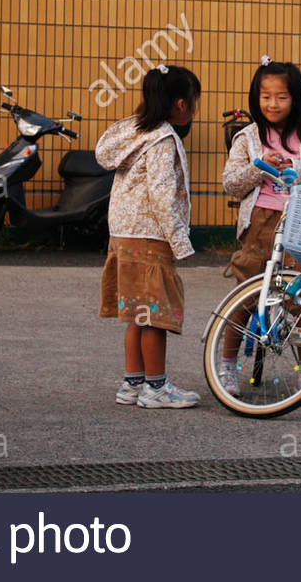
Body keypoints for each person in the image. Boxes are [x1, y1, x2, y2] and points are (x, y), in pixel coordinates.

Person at [220, 58, 301, 398]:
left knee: (300, 300)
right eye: (266, 96)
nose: (273, 103)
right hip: (260, 225)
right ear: (256, 98)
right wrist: (259, 168)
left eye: (281, 96)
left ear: (295, 98)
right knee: (245, 295)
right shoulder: (248, 137)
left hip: (300, 226)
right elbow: (230, 183)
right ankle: (226, 366)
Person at [96, 64, 202, 409]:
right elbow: (161, 192)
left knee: (136, 316)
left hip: (124, 237)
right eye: (195, 101)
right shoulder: (162, 139)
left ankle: (132, 384)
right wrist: (179, 239)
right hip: (150, 237)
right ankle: (156, 388)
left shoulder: (135, 131)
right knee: (154, 317)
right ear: (181, 104)